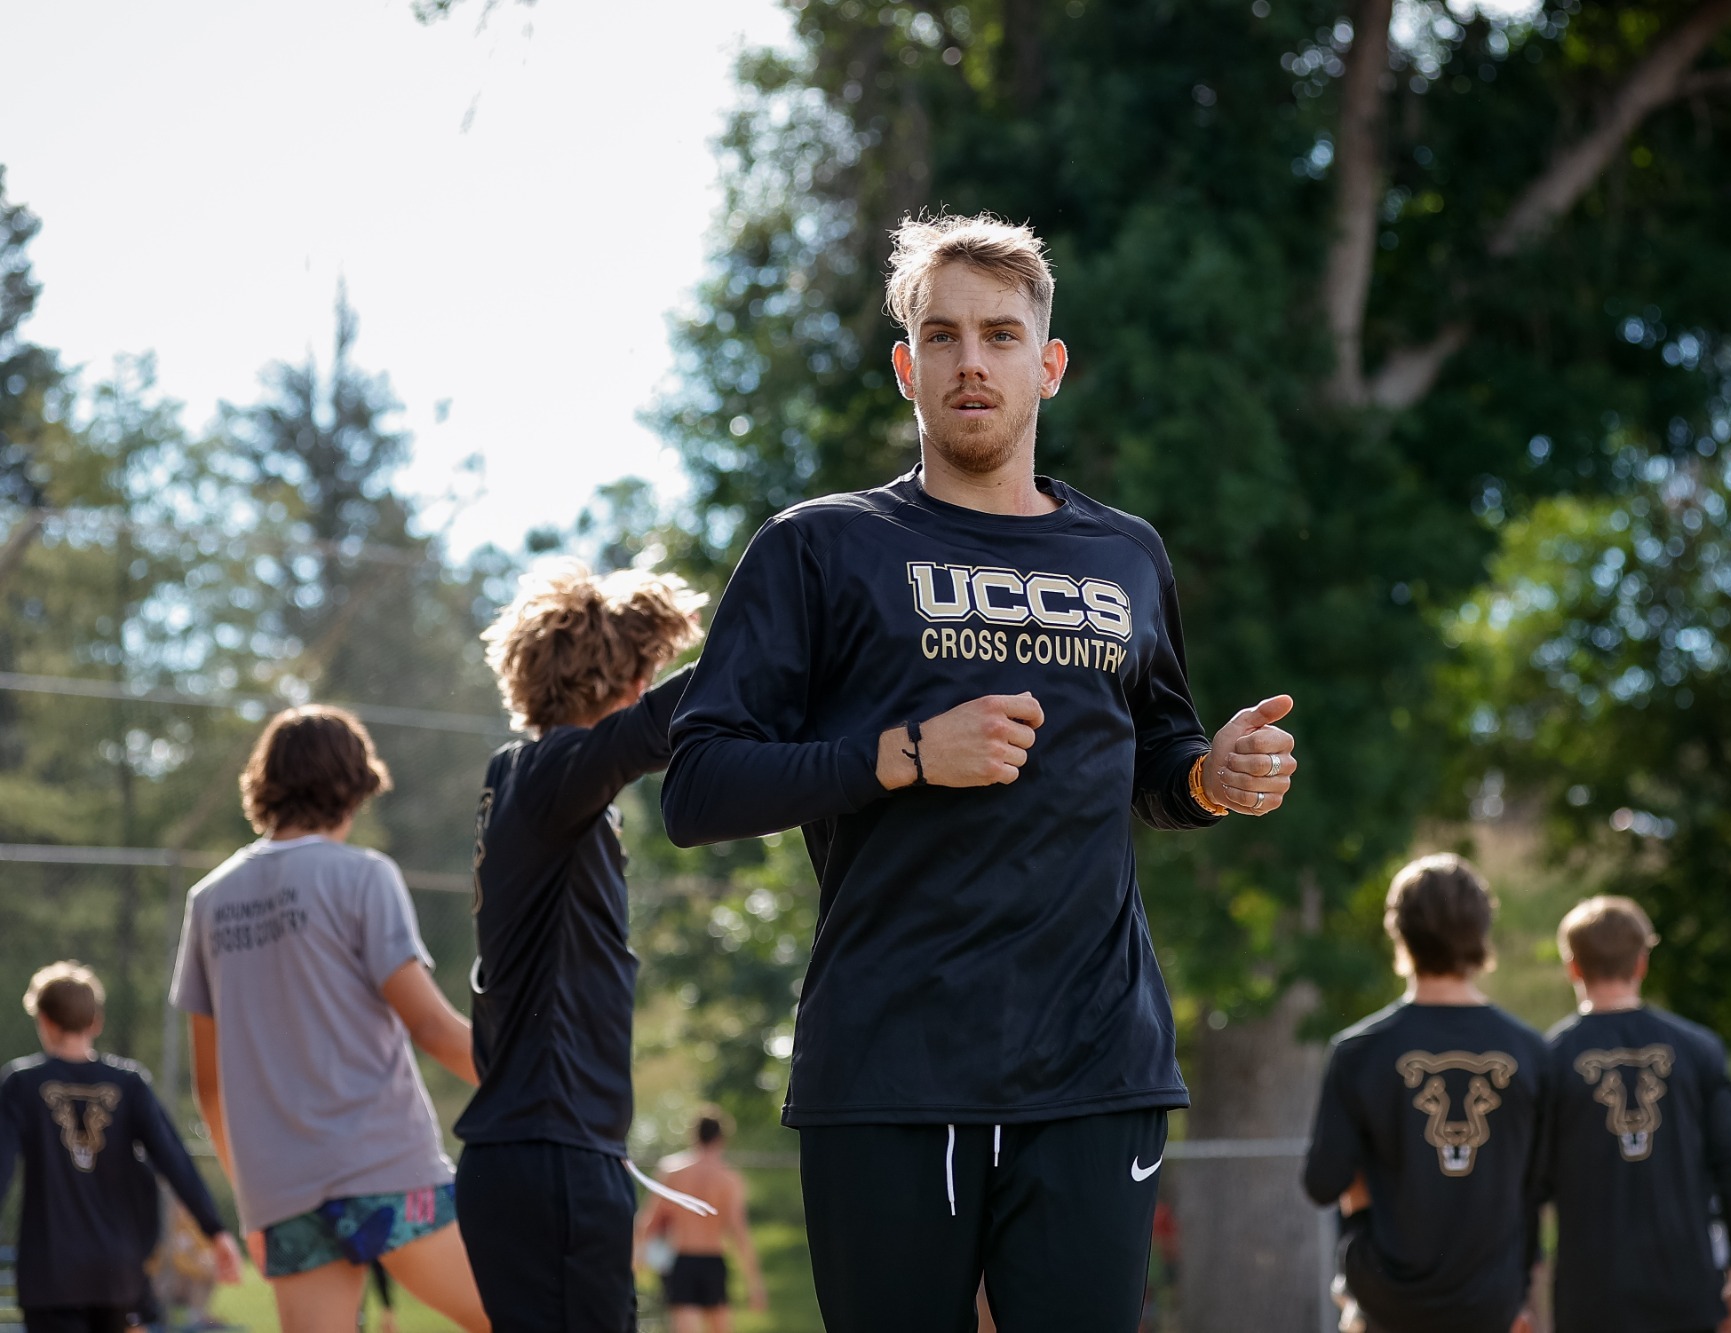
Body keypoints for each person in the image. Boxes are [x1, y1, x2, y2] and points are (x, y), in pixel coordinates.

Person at [661, 213, 1299, 1333]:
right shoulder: (815, 547)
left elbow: (1155, 757)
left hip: (1097, 1064)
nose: (971, 361)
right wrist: (904, 755)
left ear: (1046, 366)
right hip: (889, 1066)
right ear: (905, 366)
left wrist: (1214, 778)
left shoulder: (1126, 555)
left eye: (1000, 336)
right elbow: (699, 785)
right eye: (943, 336)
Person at [171, 706, 488, 1333]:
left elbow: (210, 1088)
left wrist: (254, 1203)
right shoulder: (364, 876)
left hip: (282, 1194)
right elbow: (430, 1026)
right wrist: (542, 1083)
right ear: (354, 785)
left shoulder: (209, 901)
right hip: (386, 1174)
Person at [452, 559, 706, 1330]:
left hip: (535, 1151)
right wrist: (794, 639)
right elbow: (648, 729)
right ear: (616, 681)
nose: (643, 689)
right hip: (552, 1151)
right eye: (641, 675)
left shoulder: (524, 782)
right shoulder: (554, 772)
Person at [1301, 854, 1550, 1333]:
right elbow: (1540, 1182)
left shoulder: (1359, 1052)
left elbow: (1322, 1182)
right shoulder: (1531, 1052)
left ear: (1399, 933)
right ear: (1481, 932)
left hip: (1386, 1300)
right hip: (1493, 1300)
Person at [1540, 896, 1731, 1333]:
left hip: (1591, 1297)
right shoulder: (1700, 1049)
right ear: (1642, 963)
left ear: (1573, 967)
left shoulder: (1549, 1058)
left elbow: (1529, 1188)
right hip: (1688, 1291)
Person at [0, 961, 240, 1333]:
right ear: (96, 1022)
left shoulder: (21, 1084)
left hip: (50, 1273)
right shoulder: (129, 1084)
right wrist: (216, 1231)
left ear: (44, 1021)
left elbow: (1, 1166)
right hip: (117, 1274)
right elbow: (174, 1158)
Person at [638, 1109, 766, 1332]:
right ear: (721, 1138)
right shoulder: (729, 1178)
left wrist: (636, 1255)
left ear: (694, 1135)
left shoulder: (673, 1170)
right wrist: (755, 1283)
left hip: (683, 1261)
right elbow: (739, 1232)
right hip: (713, 1261)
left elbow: (649, 1219)